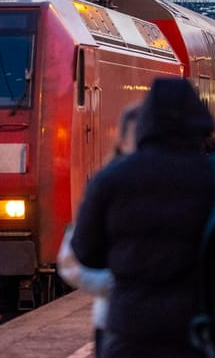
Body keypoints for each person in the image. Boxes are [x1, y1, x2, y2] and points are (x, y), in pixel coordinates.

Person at [70, 77, 215, 357]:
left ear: (148, 121)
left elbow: (86, 252)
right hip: (203, 328)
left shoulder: (113, 178)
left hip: (132, 328)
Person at [58, 104, 139, 357]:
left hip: (117, 319)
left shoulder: (105, 184)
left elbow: (72, 262)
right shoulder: (197, 179)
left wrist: (116, 285)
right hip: (181, 323)